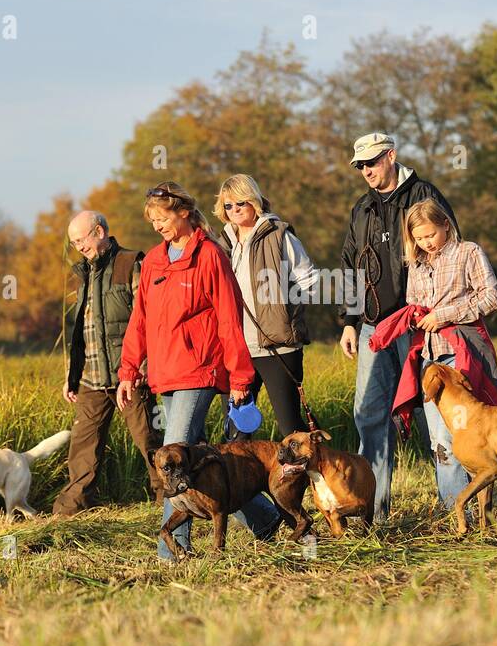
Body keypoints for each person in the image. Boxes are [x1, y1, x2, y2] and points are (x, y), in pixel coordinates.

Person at [116, 181, 284, 559]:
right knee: (205, 461)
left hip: (200, 370)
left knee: (173, 456)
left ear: (184, 213)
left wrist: (240, 377)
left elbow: (229, 318)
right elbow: (139, 321)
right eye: (153, 220)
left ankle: (171, 551)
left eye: (162, 218)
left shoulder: (210, 255)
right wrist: (129, 370)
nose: (157, 225)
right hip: (164, 373)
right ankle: (265, 520)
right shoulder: (155, 262)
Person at [337, 132, 459, 521]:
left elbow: (451, 252)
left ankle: (457, 508)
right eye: (360, 166)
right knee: (370, 414)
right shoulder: (361, 209)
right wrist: (350, 321)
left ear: (391, 155)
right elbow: (349, 265)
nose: (366, 171)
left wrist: (442, 311)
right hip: (375, 326)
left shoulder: (423, 195)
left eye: (372, 162)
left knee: (435, 412)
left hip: (420, 323)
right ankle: (373, 510)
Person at [368, 199, 497, 513]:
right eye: (419, 238)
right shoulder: (416, 265)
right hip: (430, 361)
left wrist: (444, 315)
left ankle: (481, 511)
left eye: (430, 234)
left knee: (471, 436)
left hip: (461, 356)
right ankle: (455, 511)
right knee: (441, 441)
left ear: (446, 224)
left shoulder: (468, 252)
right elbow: (414, 304)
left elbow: (491, 297)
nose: (426, 242)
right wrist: (416, 318)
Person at [54, 210, 165, 515]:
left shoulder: (131, 264)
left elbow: (149, 320)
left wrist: (142, 368)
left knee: (150, 443)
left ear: (100, 232)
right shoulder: (81, 274)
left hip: (130, 376)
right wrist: (72, 374)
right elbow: (82, 330)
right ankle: (69, 514)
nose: (78, 246)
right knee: (82, 450)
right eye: (73, 241)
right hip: (91, 378)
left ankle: (170, 506)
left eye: (82, 238)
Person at [214, 173, 320, 440]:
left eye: (241, 203)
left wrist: (287, 312)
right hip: (237, 350)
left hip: (278, 347)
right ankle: (243, 481)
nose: (235, 210)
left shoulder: (279, 236)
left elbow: (309, 281)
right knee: (237, 433)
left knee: (291, 429)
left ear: (254, 201)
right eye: (228, 205)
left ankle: (307, 481)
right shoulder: (221, 244)